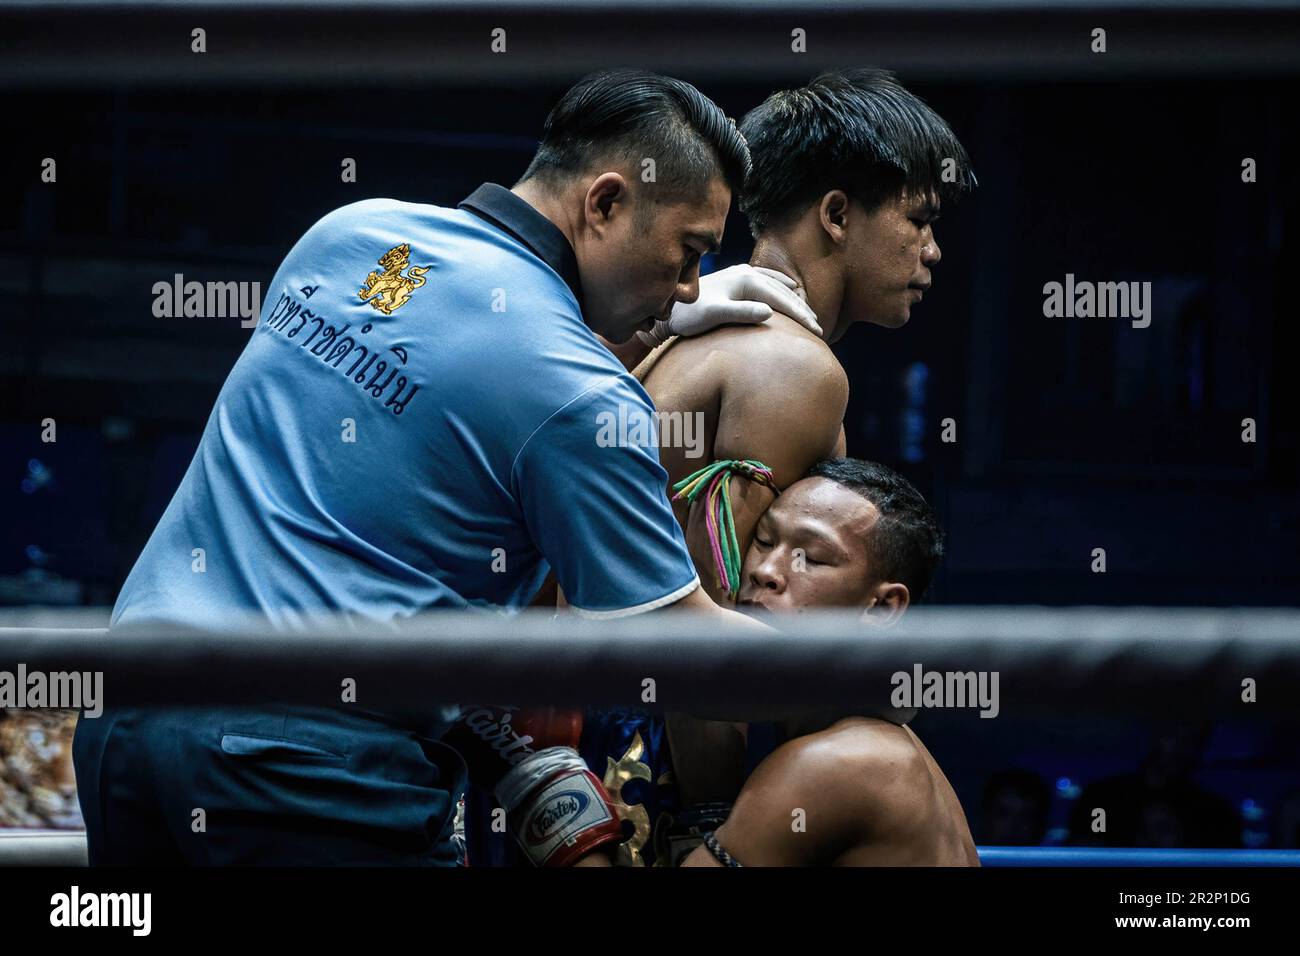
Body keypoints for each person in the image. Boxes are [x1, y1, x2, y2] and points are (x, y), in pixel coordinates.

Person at [72, 69, 803, 866]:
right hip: (299, 769)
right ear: (605, 203)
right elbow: (677, 653)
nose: (692, 284)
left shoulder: (353, 230)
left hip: (126, 721)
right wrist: (865, 664)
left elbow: (449, 374)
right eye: (688, 252)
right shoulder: (581, 396)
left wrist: (633, 319)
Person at [593, 68, 977, 831]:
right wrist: (709, 822)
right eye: (919, 220)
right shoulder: (793, 368)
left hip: (576, 714)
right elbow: (707, 622)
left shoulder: (726, 337)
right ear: (837, 213)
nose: (933, 252)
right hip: (627, 741)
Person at [680, 457, 977, 866]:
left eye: (811, 558)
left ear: (881, 608)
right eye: (764, 541)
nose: (765, 570)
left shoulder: (837, 764)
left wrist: (570, 815)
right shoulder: (889, 746)